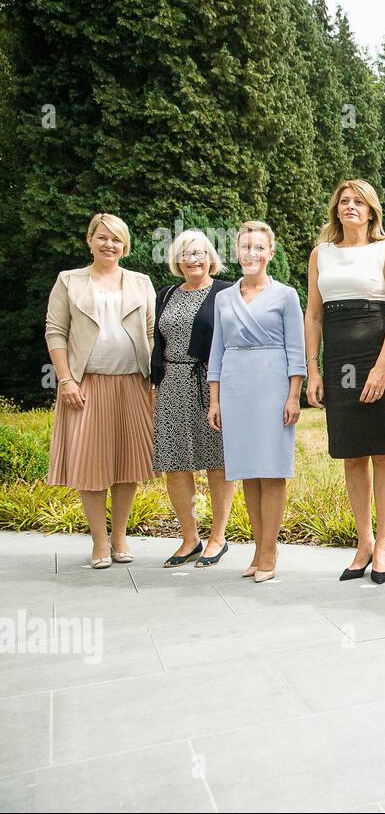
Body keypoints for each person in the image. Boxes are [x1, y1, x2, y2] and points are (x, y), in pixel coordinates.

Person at [305, 180, 385, 584]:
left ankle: (383, 543)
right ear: (336, 210)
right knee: (351, 455)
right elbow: (313, 315)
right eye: (344, 201)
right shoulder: (321, 254)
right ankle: (363, 542)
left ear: (371, 212)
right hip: (338, 362)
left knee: (384, 452)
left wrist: (383, 368)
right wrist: (313, 369)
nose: (350, 206)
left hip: (377, 356)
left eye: (358, 202)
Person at [45, 213, 156, 568]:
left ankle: (120, 537)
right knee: (91, 466)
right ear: (89, 240)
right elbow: (55, 332)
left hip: (133, 384)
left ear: (125, 246)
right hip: (86, 384)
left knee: (128, 465)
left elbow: (152, 334)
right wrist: (65, 379)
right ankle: (98, 543)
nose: (110, 244)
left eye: (117, 240)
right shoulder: (69, 281)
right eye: (103, 237)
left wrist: (153, 379)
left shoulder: (141, 282)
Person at [207, 221, 306, 583]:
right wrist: (214, 400)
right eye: (246, 246)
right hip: (235, 384)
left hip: (272, 382)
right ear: (236, 252)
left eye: (259, 247)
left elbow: (296, 350)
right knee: (247, 470)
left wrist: (294, 395)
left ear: (270, 254)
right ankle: (257, 547)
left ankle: (270, 551)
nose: (252, 253)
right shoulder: (222, 297)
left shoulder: (286, 295)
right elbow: (216, 350)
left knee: (272, 470)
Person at [150, 229, 235, 567]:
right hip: (171, 382)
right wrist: (155, 384)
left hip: (211, 385)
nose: (194, 258)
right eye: (186, 253)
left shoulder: (225, 292)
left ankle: (218, 537)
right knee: (175, 464)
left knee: (217, 461)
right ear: (177, 260)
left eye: (200, 252)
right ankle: (189, 539)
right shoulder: (166, 294)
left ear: (211, 257)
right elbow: (157, 341)